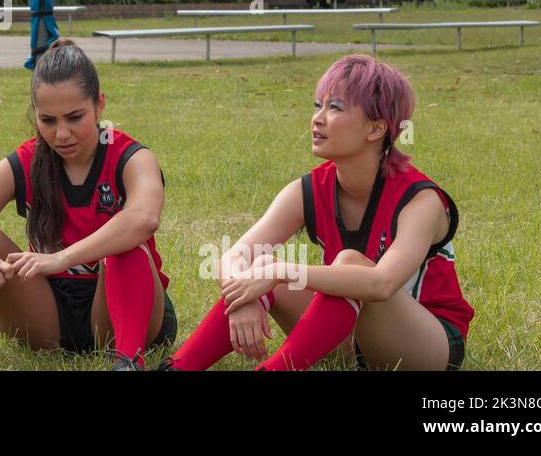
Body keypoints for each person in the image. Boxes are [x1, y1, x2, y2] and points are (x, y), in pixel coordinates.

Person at [161, 54, 473, 371]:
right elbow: (236, 255)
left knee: (346, 265)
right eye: (317, 105)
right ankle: (178, 367)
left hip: (425, 346)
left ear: (376, 128)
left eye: (335, 108)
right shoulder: (308, 189)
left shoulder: (420, 200)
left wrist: (280, 271)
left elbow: (381, 283)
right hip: (348, 335)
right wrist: (241, 298)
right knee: (264, 269)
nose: (317, 118)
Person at [0, 38, 177, 370]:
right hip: (47, 315)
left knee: (125, 244)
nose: (62, 134)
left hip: (124, 315)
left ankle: (129, 362)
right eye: (48, 120)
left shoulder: (131, 156)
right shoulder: (29, 158)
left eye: (75, 117)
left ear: (99, 105)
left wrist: (60, 259)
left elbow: (143, 219)